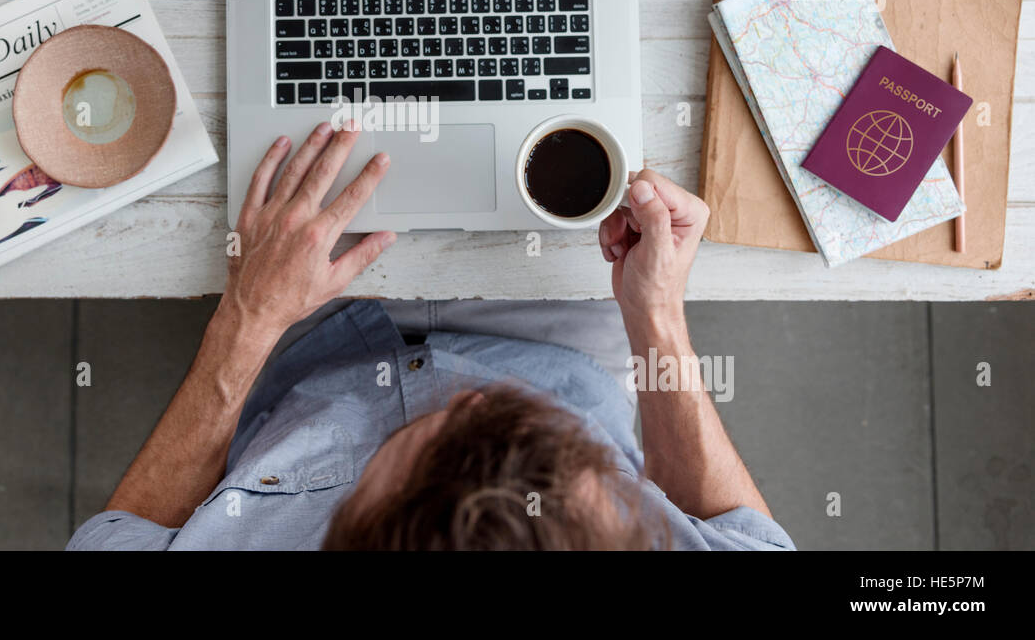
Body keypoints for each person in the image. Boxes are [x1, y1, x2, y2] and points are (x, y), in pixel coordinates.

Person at [67, 122, 794, 550]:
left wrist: (247, 319)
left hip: (304, 340)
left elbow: (120, 531)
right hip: (564, 333)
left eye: (416, 444)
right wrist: (658, 312)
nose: (470, 396)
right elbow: (731, 526)